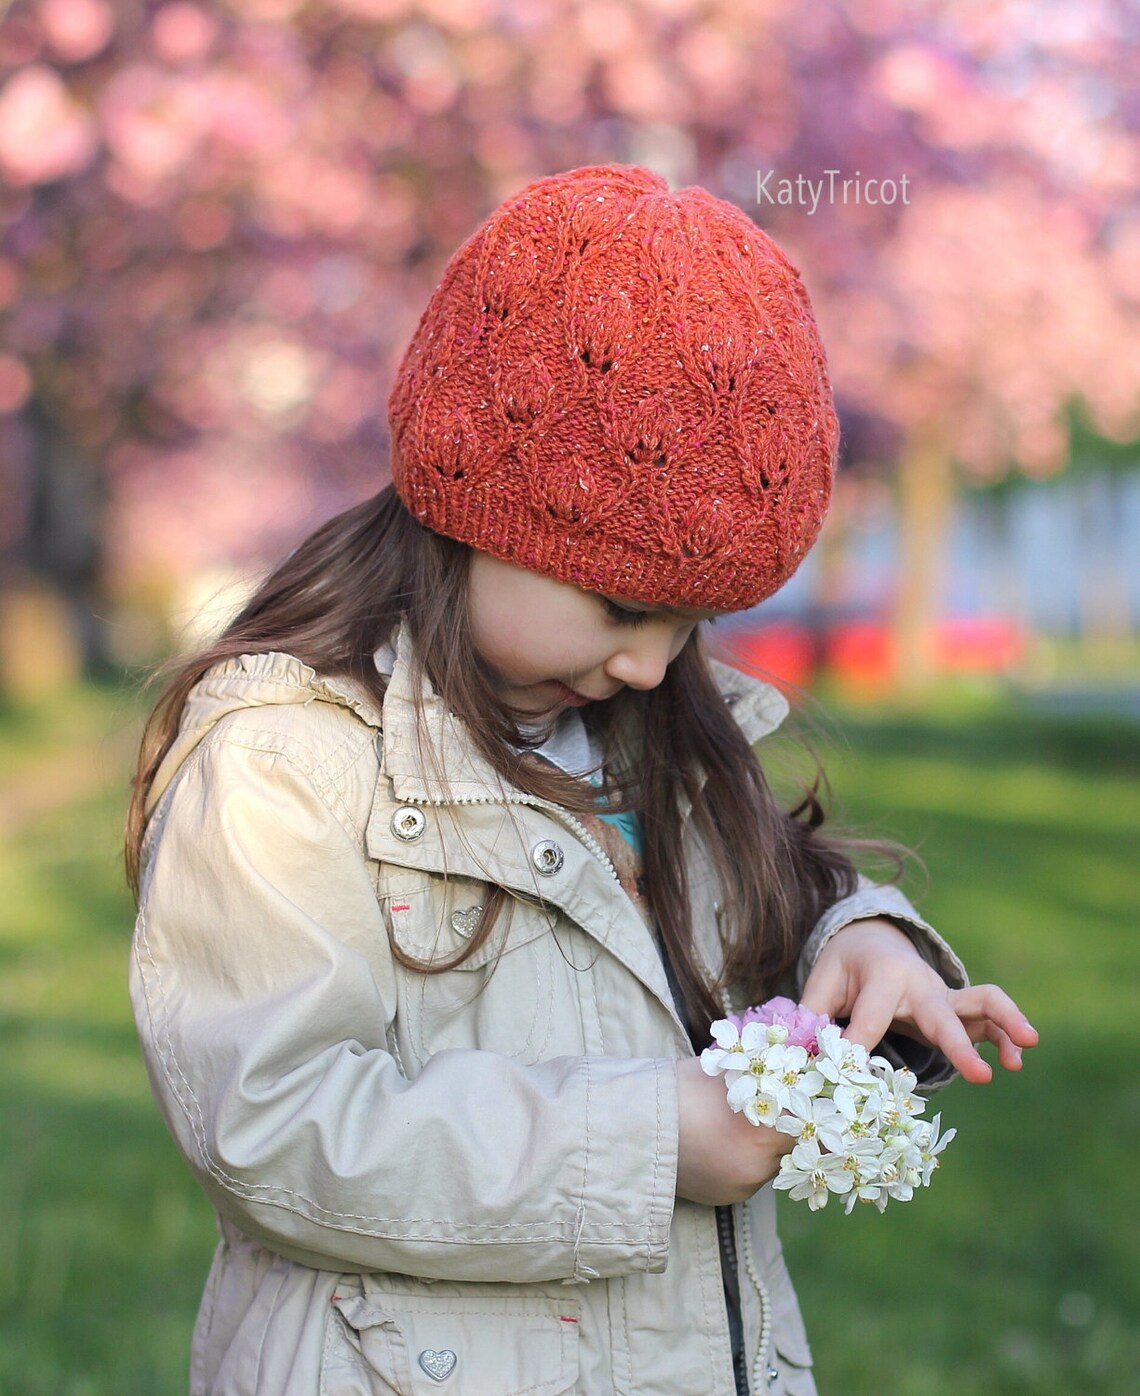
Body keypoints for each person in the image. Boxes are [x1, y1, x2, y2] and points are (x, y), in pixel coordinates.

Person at [127, 164, 1036, 1396]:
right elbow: (276, 1125)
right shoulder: (288, 760)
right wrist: (650, 1139)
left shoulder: (641, 741)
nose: (653, 665)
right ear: (471, 508)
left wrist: (861, 938)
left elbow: (757, 912)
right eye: (623, 607)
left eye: (692, 624)